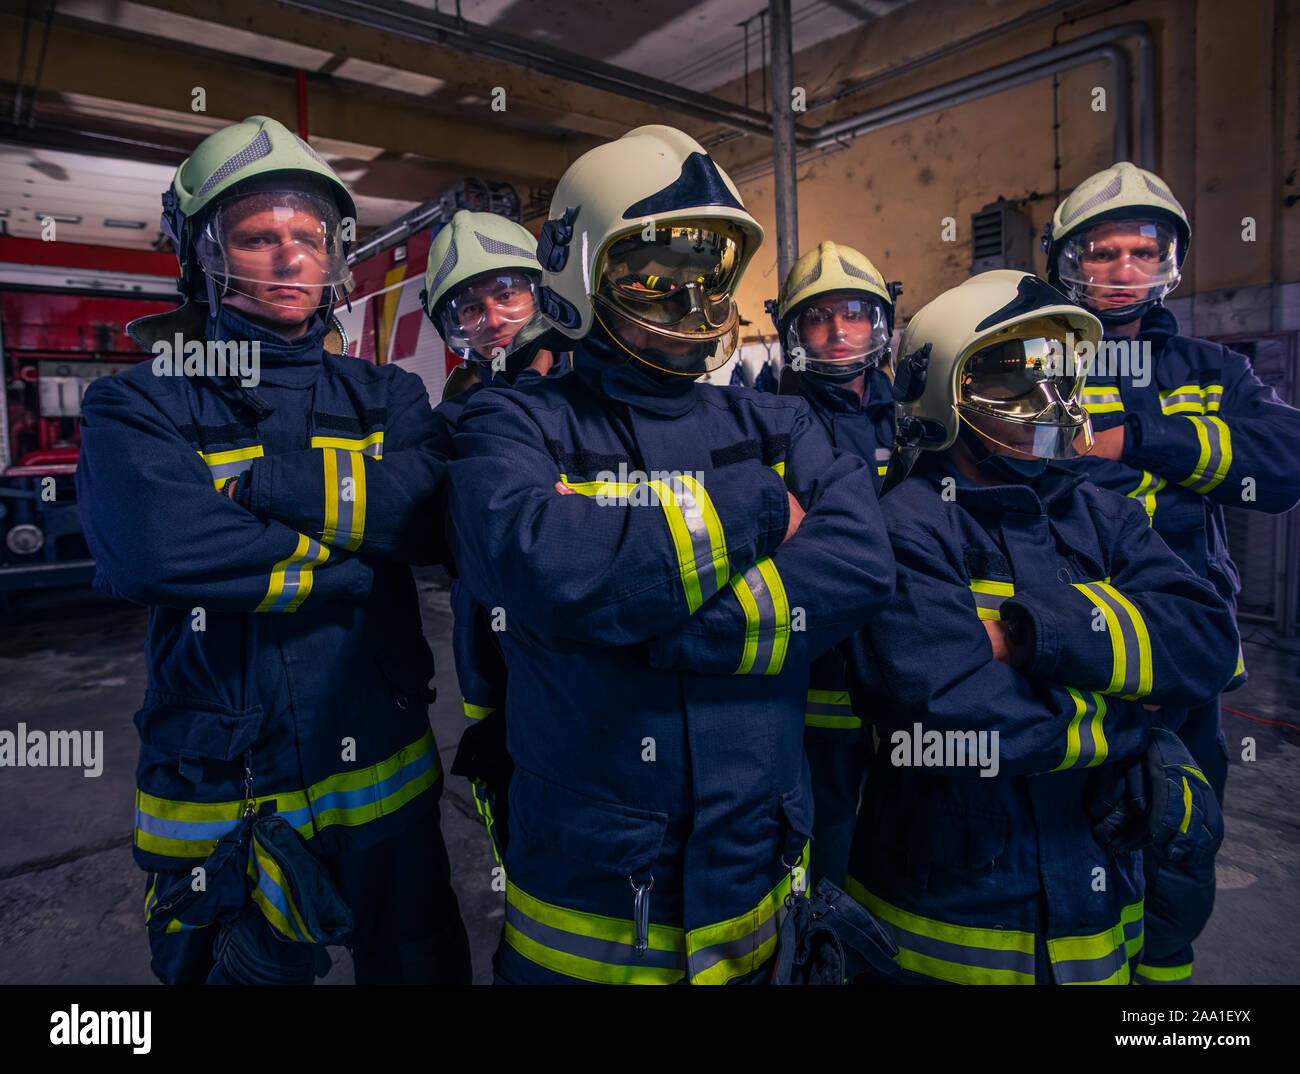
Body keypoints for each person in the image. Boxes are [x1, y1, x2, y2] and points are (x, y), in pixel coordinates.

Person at [448, 124, 895, 984]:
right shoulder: (513, 422)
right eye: (654, 273)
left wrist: (639, 612)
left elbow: (863, 565)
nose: (688, 298)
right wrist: (767, 507)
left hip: (757, 864)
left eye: (705, 273)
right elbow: (540, 567)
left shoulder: (779, 418)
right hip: (588, 893)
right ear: (581, 272)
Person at [76, 115, 471, 985]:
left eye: (309, 236)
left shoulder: (389, 394)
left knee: (418, 967)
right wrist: (362, 560)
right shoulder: (138, 403)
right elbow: (154, 549)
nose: (291, 257)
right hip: (218, 783)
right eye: (258, 237)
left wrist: (256, 510)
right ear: (202, 256)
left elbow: (442, 521)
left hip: (386, 768)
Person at [844, 270, 1238, 985]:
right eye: (1019, 383)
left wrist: (1024, 638)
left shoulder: (1104, 514)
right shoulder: (903, 523)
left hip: (1100, 913)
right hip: (943, 928)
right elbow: (949, 714)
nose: (1050, 405)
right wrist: (1132, 710)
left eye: (1059, 379)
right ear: (943, 395)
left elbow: (1208, 640)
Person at [1044, 161, 1300, 982]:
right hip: (1067, 645)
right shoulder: (1033, 359)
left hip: (1183, 657)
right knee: (1062, 827)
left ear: (1169, 266)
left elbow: (1283, 463)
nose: (1123, 272)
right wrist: (1196, 461)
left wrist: (1136, 441)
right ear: (1066, 262)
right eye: (1103, 253)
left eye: (1143, 254)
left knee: (1182, 825)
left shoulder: (1209, 369)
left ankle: (1161, 996)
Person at [422, 209, 567, 865]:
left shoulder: (598, 386)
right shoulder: (457, 413)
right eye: (469, 309)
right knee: (517, 820)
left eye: (506, 292)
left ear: (542, 287)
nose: (493, 319)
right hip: (489, 654)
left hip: (589, 654)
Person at [767, 240, 899, 887]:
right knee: (826, 839)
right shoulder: (769, 417)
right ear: (794, 332)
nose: (839, 331)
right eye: (818, 317)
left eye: (853, 313)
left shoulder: (915, 412)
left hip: (908, 665)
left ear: (880, 322)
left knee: (905, 834)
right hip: (816, 678)